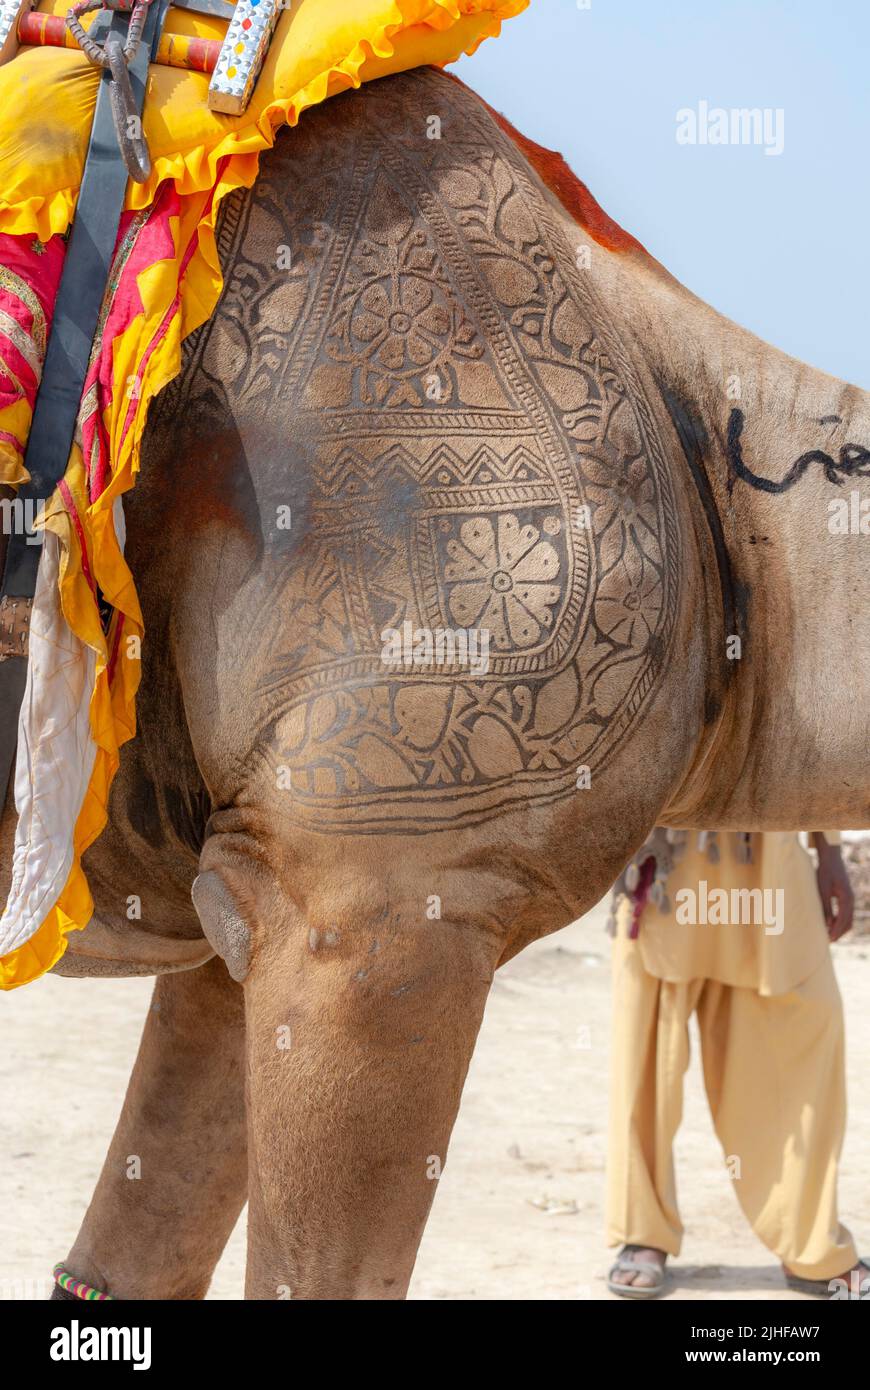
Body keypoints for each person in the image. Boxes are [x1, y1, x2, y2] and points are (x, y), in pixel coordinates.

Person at [605, 829, 868, 1299]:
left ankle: (811, 1246)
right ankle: (643, 1233)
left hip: (768, 847)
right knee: (648, 1052)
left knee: (807, 1029)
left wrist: (827, 850)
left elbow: (810, 751)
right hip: (669, 853)